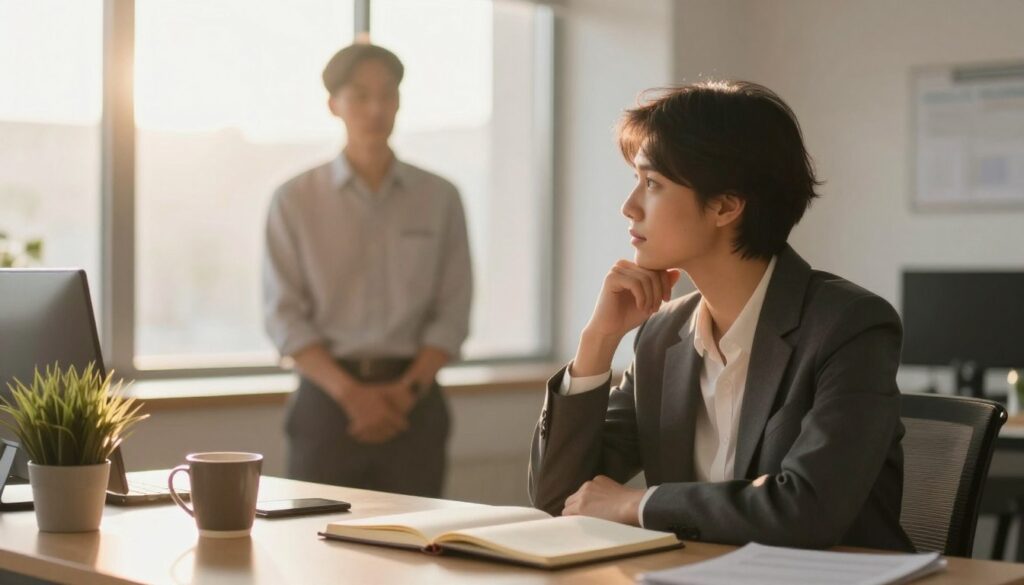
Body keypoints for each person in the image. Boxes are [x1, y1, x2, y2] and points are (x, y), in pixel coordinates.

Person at [528, 80, 913, 551]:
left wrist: (637, 505)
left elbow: (806, 511)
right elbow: (559, 498)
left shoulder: (849, 326)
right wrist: (598, 341)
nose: (628, 207)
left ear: (726, 206)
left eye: (652, 184)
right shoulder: (662, 333)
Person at [263, 43, 472, 497]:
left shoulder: (440, 197)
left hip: (415, 404)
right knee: (313, 551)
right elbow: (283, 315)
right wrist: (353, 396)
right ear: (333, 105)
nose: (376, 108)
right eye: (360, 95)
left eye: (388, 94)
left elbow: (453, 311)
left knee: (418, 554)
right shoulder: (294, 199)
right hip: (326, 403)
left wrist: (402, 393)